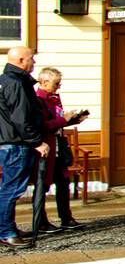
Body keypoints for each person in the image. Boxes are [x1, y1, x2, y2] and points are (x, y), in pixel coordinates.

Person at [0, 46, 50, 247]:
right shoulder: (17, 84)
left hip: (7, 142)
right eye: (31, 59)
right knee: (11, 190)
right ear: (21, 60)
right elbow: (21, 118)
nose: (34, 62)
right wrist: (37, 142)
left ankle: (6, 226)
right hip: (16, 144)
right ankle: (6, 231)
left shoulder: (4, 81)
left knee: (8, 188)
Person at [33, 67, 88, 233]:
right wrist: (64, 120)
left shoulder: (54, 98)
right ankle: (41, 222)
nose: (59, 87)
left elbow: (58, 122)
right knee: (42, 185)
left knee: (63, 182)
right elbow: (42, 126)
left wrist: (72, 120)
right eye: (56, 83)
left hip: (59, 147)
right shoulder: (38, 100)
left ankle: (66, 218)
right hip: (46, 148)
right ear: (44, 82)